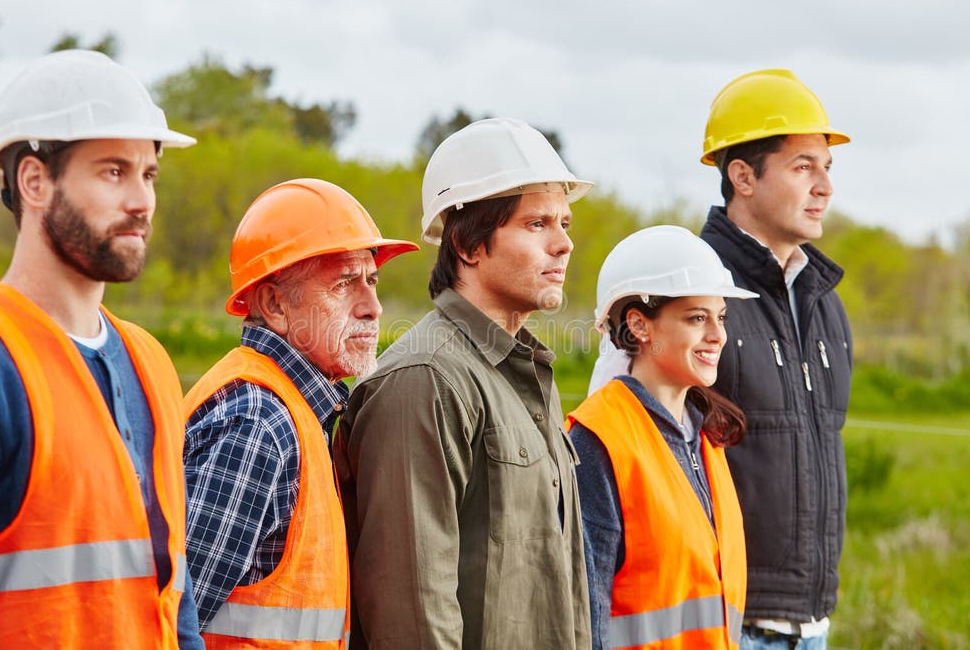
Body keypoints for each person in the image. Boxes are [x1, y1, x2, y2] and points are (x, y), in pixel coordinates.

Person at [334, 117, 594, 649]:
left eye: (564, 223)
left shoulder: (523, 376)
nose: (564, 244)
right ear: (469, 245)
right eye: (537, 224)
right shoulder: (425, 381)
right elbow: (413, 614)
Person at [0, 50, 201, 648]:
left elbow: (173, 598)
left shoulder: (151, 363)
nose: (142, 202)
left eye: (148, 174)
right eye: (112, 172)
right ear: (34, 181)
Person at [183, 178, 417, 647]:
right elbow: (167, 623)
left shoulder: (304, 412)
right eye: (344, 283)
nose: (373, 307)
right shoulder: (258, 423)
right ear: (274, 304)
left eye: (371, 281)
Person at [700, 69, 853, 649]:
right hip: (726, 622)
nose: (824, 187)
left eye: (827, 167)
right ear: (742, 175)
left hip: (812, 627)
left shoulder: (826, 304)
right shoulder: (691, 290)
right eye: (802, 166)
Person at [570, 225, 757, 649]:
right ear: (640, 325)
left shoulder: (702, 436)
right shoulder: (598, 440)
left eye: (721, 317)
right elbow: (586, 619)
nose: (718, 335)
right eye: (697, 318)